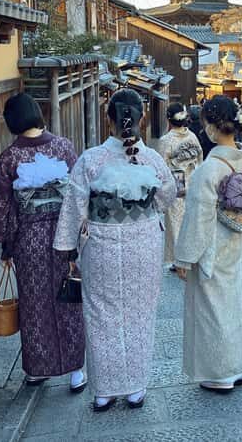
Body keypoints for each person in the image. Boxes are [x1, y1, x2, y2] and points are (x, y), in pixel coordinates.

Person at [54, 89, 176, 411]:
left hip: (101, 244)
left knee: (100, 315)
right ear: (141, 119)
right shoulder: (151, 159)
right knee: (140, 314)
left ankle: (104, 392)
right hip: (144, 242)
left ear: (109, 120)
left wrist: (66, 248)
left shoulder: (91, 159)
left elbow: (75, 205)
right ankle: (135, 389)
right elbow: (167, 196)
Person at [0, 93, 86, 392]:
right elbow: (78, 192)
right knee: (69, 296)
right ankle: (76, 369)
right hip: (64, 235)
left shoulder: (10, 157)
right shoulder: (63, 147)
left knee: (34, 303)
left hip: (28, 238)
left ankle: (37, 368)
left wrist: (4, 244)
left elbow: (1, 204)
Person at [174, 96, 242, 392]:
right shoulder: (240, 158)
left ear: (210, 126)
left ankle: (220, 372)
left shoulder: (209, 169)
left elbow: (198, 217)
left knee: (212, 309)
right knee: (231, 303)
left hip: (210, 244)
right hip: (232, 240)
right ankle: (238, 366)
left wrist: (184, 257)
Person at [156, 104, 203, 268]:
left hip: (176, 185)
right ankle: (192, 256)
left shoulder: (165, 141)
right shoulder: (193, 137)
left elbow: (161, 169)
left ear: (168, 119)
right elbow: (200, 159)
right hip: (194, 182)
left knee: (176, 223)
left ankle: (179, 261)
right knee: (191, 221)